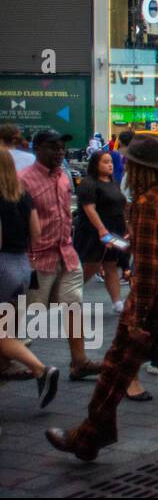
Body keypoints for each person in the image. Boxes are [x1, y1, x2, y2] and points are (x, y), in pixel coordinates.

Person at [46, 134, 158, 469]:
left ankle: (89, 438)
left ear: (139, 169)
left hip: (153, 308)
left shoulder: (149, 203)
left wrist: (137, 317)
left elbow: (151, 269)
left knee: (113, 373)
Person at [20, 130, 101, 382]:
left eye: (62, 148)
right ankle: (7, 360)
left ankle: (79, 362)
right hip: (37, 258)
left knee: (73, 306)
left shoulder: (64, 177)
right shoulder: (23, 180)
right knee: (19, 312)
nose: (60, 152)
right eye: (53, 147)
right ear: (37, 149)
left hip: (66, 254)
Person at [0, 147, 58, 407]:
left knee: (3, 335)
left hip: (2, 266)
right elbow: (36, 232)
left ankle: (40, 369)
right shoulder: (23, 196)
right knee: (6, 328)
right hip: (22, 264)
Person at [73, 149, 129, 315]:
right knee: (92, 264)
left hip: (114, 230)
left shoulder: (113, 182)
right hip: (95, 231)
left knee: (111, 265)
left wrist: (126, 226)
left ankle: (117, 302)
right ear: (95, 164)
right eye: (105, 162)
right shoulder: (88, 184)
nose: (110, 165)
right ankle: (70, 296)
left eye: (111, 161)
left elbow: (121, 206)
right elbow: (89, 209)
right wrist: (101, 230)